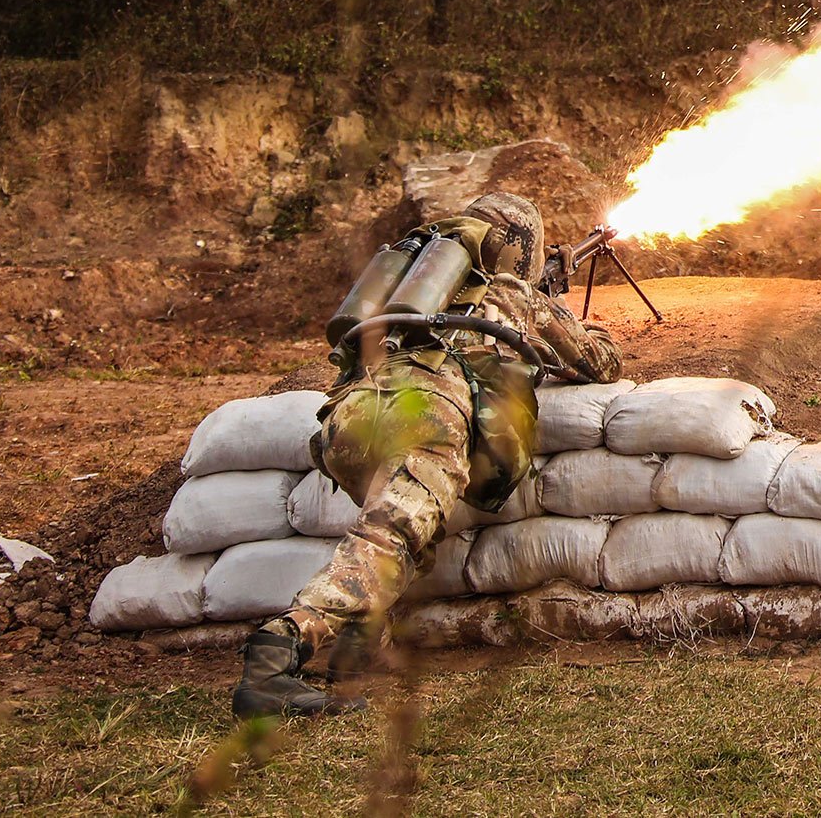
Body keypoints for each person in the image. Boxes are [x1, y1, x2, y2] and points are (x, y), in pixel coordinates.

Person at [232, 193, 623, 719]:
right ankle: (277, 653)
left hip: (345, 424)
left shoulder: (404, 295)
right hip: (423, 418)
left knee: (411, 535)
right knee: (388, 537)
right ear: (521, 252)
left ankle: (358, 645)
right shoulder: (510, 293)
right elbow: (602, 363)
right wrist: (574, 322)